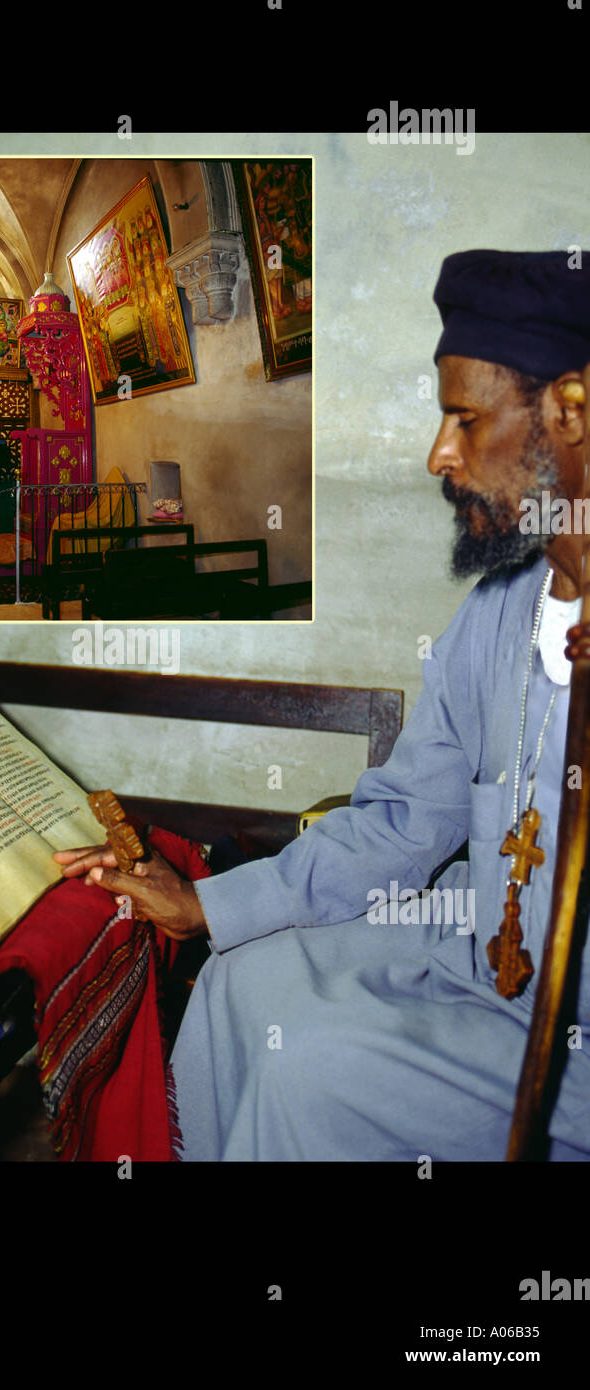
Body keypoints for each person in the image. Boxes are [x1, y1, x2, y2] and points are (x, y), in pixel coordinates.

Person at [55, 249, 590, 1161]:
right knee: (237, 980)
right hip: (472, 948)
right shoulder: (497, 611)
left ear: (573, 411)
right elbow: (398, 825)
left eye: (466, 419)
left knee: (308, 1070)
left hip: (568, 1039)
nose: (440, 456)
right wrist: (207, 906)